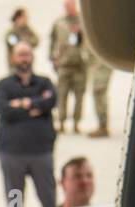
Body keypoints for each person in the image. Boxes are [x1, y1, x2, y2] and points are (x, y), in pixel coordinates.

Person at [0, 42, 57, 207]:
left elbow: (51, 101)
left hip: (41, 154)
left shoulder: (44, 82)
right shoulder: (4, 85)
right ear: (13, 58)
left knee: (49, 201)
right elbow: (4, 109)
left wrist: (21, 103)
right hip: (13, 155)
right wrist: (35, 104)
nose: (24, 58)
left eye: (27, 54)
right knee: (15, 204)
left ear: (33, 57)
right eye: (20, 54)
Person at [49, 0, 87, 133]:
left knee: (79, 96)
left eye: (70, 6)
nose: (68, 8)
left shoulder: (84, 22)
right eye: (66, 6)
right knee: (61, 95)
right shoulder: (59, 23)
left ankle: (76, 123)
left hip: (80, 66)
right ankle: (61, 122)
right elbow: (52, 40)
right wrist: (52, 57)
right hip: (64, 65)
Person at [82, 37, 112, 138]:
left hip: (101, 66)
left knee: (99, 93)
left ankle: (103, 126)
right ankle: (102, 125)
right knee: (97, 95)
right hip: (95, 66)